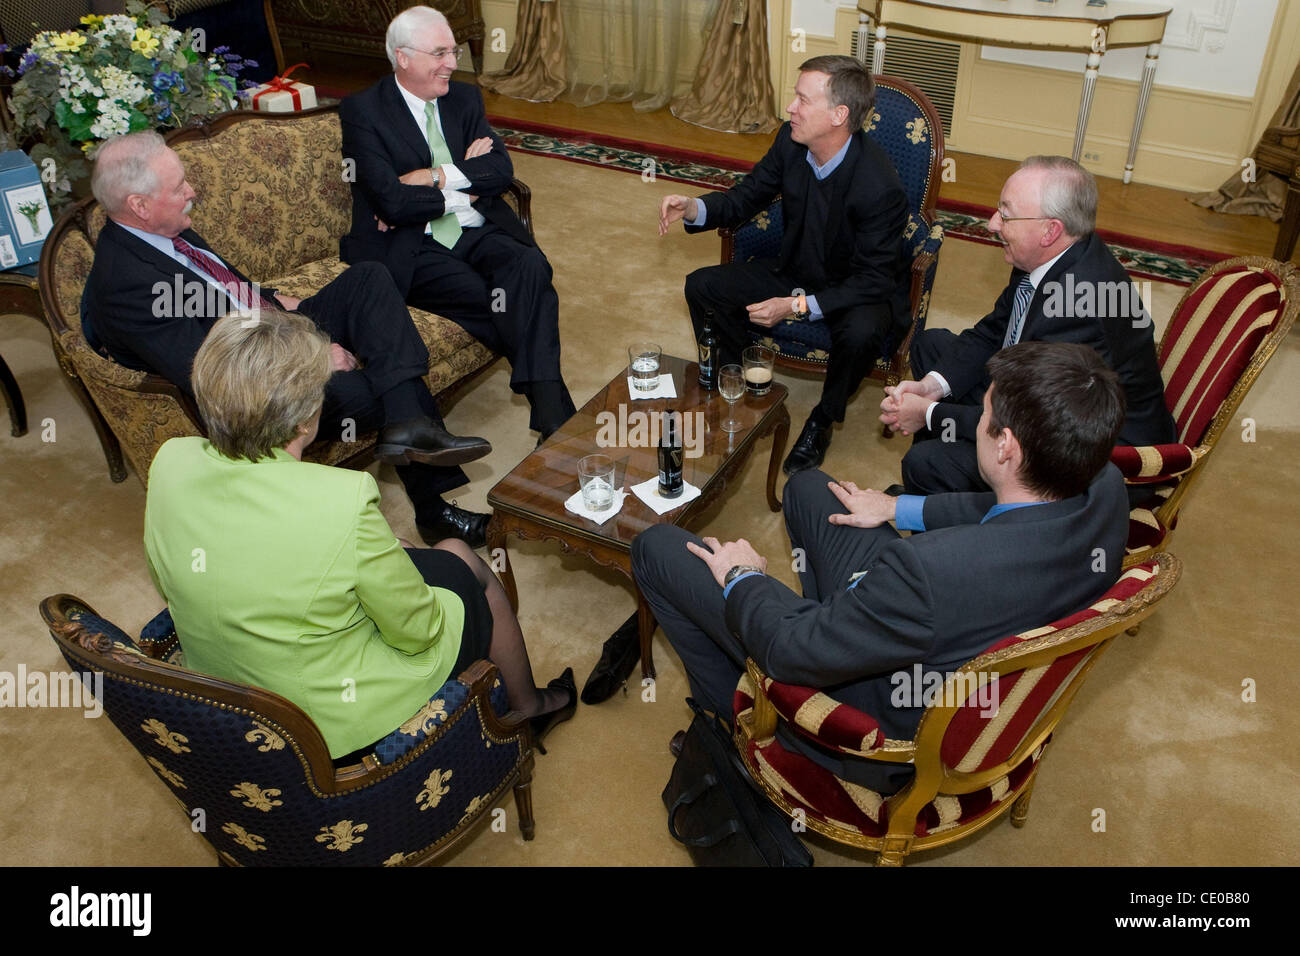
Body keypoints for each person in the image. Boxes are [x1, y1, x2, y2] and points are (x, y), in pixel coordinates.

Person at [633, 342, 1129, 794]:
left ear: (1006, 446)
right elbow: (1012, 512)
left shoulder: (926, 570)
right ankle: (838, 622)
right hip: (945, 629)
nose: (977, 422)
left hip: (874, 727)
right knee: (808, 491)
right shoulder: (1103, 486)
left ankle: (737, 726)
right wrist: (897, 509)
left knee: (657, 549)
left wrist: (743, 576)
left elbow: (787, 651)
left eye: (984, 415)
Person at [143, 310, 577, 762]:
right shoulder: (340, 500)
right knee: (460, 559)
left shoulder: (171, 459)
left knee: (408, 553)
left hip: (224, 694)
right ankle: (528, 709)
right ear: (303, 421)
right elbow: (420, 631)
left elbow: (172, 576)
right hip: (327, 726)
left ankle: (523, 702)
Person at [81, 130, 493, 547]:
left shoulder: (165, 230)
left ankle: (409, 426)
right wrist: (311, 357)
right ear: (139, 205)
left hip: (268, 331)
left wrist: (277, 301)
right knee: (375, 387)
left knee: (368, 279)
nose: (192, 191)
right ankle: (432, 504)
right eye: (179, 187)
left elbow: (225, 292)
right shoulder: (127, 286)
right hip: (260, 391)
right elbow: (212, 374)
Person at [659, 55, 909, 477]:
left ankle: (822, 421)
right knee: (703, 286)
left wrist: (793, 307)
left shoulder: (879, 186)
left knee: (862, 332)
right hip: (794, 270)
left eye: (801, 99)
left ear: (838, 114)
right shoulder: (791, 142)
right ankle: (737, 381)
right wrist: (694, 207)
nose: (790, 108)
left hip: (855, 287)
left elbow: (873, 278)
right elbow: (748, 194)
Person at [339, 5, 575, 441]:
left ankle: (552, 418)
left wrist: (435, 176)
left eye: (454, 51)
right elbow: (391, 203)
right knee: (502, 298)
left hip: (474, 227)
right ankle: (556, 418)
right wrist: (464, 182)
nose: (452, 63)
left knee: (531, 268)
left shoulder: (463, 98)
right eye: (440, 53)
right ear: (403, 57)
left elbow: (500, 171)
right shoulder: (363, 111)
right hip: (413, 246)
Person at [881, 155, 1175, 495]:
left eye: (1006, 215)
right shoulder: (1047, 255)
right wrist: (932, 389)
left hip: (1094, 455)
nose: (991, 223)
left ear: (1050, 230)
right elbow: (996, 329)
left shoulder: (1077, 310)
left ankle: (946, 506)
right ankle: (937, 491)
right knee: (932, 347)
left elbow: (1027, 419)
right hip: (1037, 391)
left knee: (925, 463)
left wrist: (930, 414)